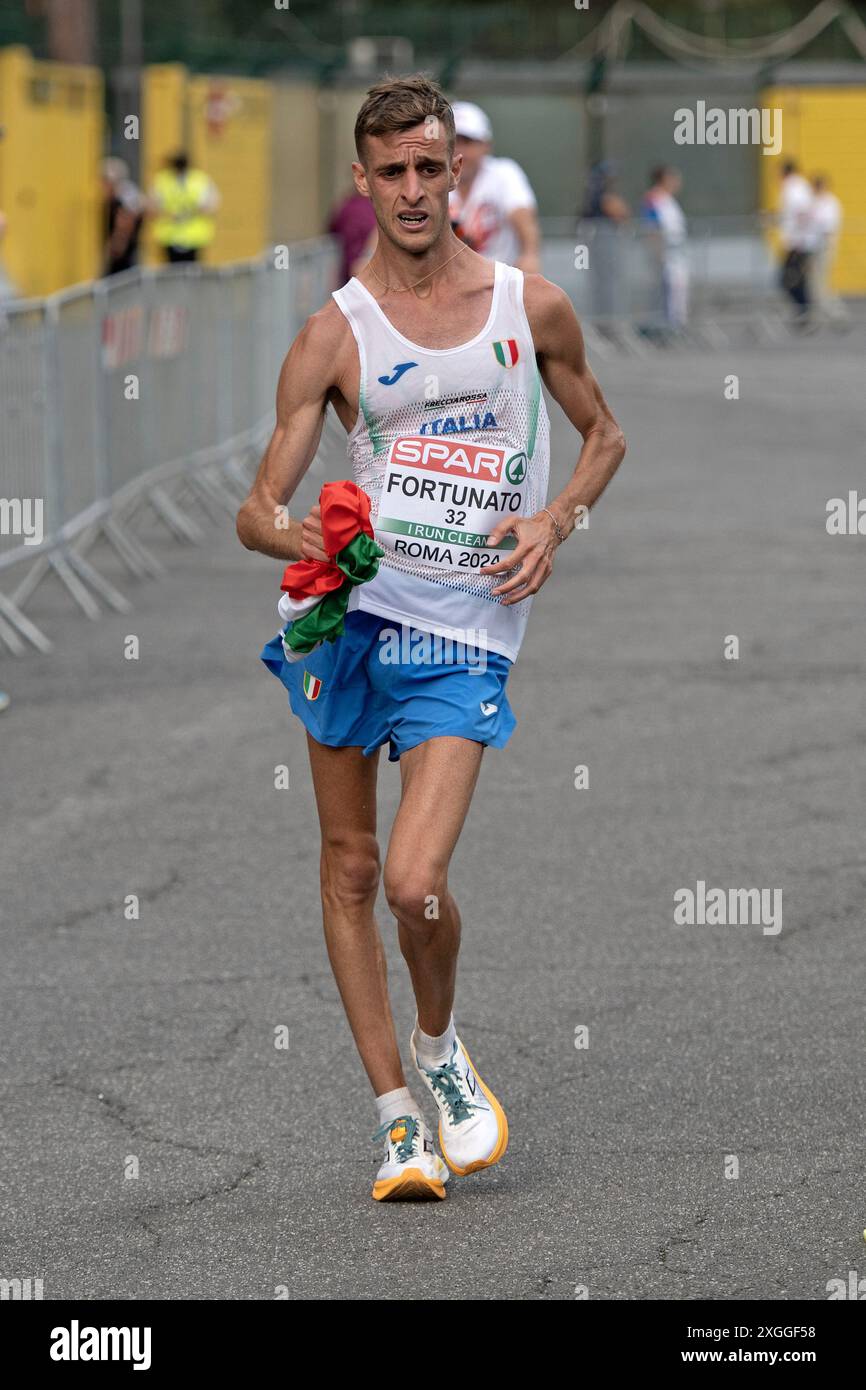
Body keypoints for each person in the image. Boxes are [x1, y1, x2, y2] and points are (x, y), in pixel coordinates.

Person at [236, 74, 625, 1202]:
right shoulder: (332, 335)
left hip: (466, 630)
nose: (411, 189)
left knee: (414, 881)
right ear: (361, 183)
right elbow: (254, 507)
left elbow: (602, 434)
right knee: (351, 867)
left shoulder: (529, 306)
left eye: (428, 166)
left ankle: (441, 1047)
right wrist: (291, 530)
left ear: (456, 169)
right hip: (346, 620)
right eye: (389, 171)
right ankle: (397, 1122)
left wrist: (555, 520)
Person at [447, 100, 541, 272]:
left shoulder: (504, 173)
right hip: (450, 288)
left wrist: (530, 255)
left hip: (499, 282)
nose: (459, 151)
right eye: (452, 142)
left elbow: (523, 217)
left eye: (467, 142)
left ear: (486, 146)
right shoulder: (430, 179)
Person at [579, 159, 631, 319]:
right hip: (602, 242)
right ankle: (606, 319)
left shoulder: (595, 192)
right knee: (606, 283)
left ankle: (607, 316)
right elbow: (619, 211)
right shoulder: (600, 194)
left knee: (607, 282)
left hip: (602, 241)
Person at [640, 165, 689, 332]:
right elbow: (652, 227)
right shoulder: (654, 199)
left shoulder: (670, 200)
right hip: (664, 253)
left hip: (676, 252)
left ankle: (676, 323)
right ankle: (666, 326)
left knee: (679, 287)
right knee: (667, 288)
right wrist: (657, 251)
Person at [149, 152, 219, 264]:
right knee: (175, 273)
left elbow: (210, 207)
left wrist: (187, 213)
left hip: (194, 237)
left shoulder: (199, 180)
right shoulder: (163, 180)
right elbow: (152, 209)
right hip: (170, 236)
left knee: (189, 273)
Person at [808, 174, 848, 326]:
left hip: (824, 247)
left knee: (821, 284)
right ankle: (819, 315)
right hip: (814, 247)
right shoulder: (816, 202)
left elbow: (827, 226)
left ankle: (838, 314)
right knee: (815, 284)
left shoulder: (830, 203)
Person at [777, 159, 813, 322]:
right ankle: (803, 312)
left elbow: (802, 214)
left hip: (797, 243)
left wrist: (799, 239)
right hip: (797, 241)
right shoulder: (798, 186)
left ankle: (804, 311)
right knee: (797, 279)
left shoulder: (794, 188)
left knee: (788, 279)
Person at [101, 157, 145, 276]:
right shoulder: (127, 192)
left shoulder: (124, 195)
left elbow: (125, 221)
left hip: (124, 249)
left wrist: (118, 241)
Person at [328, 188, 378, 287]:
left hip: (349, 271)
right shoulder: (378, 210)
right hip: (365, 271)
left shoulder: (346, 206)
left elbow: (332, 230)